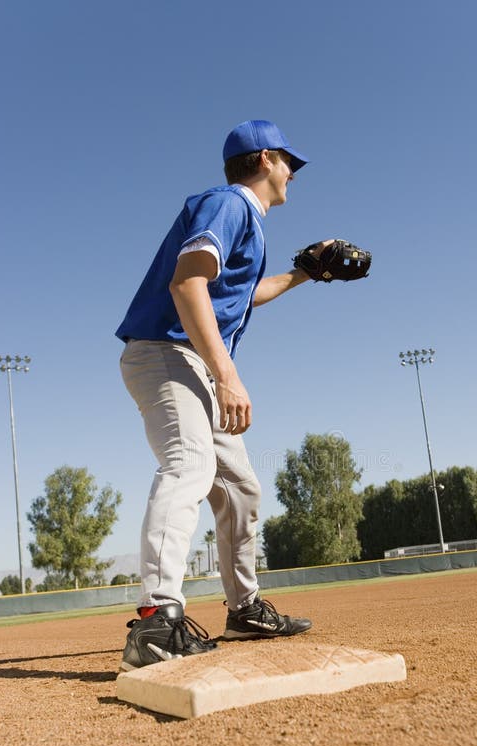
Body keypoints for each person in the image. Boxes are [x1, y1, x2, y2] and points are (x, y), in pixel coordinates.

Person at [116, 119, 328, 671]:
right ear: (263, 160)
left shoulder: (248, 223)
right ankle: (156, 621)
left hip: (191, 361)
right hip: (167, 352)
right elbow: (187, 283)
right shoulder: (229, 203)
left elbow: (239, 293)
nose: (292, 173)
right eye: (289, 162)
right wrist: (227, 374)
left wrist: (303, 273)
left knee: (238, 487)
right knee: (188, 465)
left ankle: (244, 607)